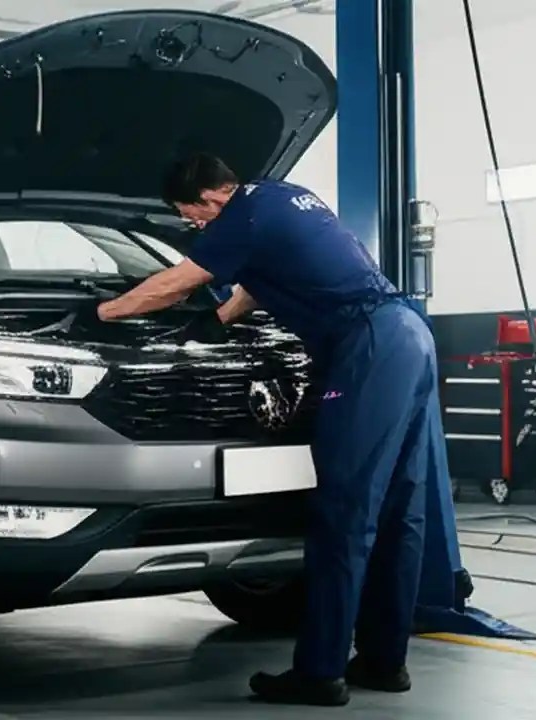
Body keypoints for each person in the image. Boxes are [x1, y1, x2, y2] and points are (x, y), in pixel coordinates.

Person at [96, 153, 443, 707]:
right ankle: (383, 661)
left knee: (344, 513)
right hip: (409, 337)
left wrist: (104, 313)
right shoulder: (281, 198)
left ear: (210, 198)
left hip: (368, 349)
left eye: (192, 218)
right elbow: (263, 282)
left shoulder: (242, 217)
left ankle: (320, 673)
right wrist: (217, 321)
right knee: (401, 510)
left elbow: (174, 284)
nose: (196, 228)